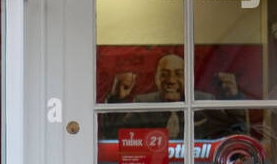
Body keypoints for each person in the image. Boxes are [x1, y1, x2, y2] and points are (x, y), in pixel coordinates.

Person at [101, 53, 246, 139]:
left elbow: (238, 133)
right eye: (164, 75)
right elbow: (113, 136)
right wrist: (116, 98)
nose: (171, 81)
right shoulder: (143, 103)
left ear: (189, 78)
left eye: (178, 74)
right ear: (156, 78)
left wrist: (234, 98)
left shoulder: (204, 101)